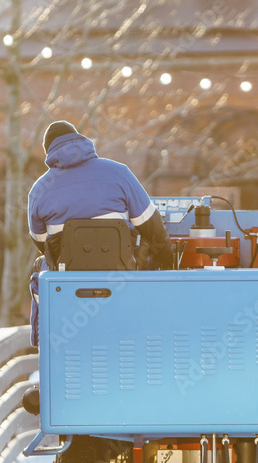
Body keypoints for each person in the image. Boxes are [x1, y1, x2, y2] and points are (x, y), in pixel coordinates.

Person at [23, 121, 175, 415]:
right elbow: (151, 225)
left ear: (49, 152)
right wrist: (167, 260)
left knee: (39, 278)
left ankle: (47, 365)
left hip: (71, 286)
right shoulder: (118, 172)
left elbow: (41, 242)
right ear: (82, 141)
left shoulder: (41, 188)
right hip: (124, 277)